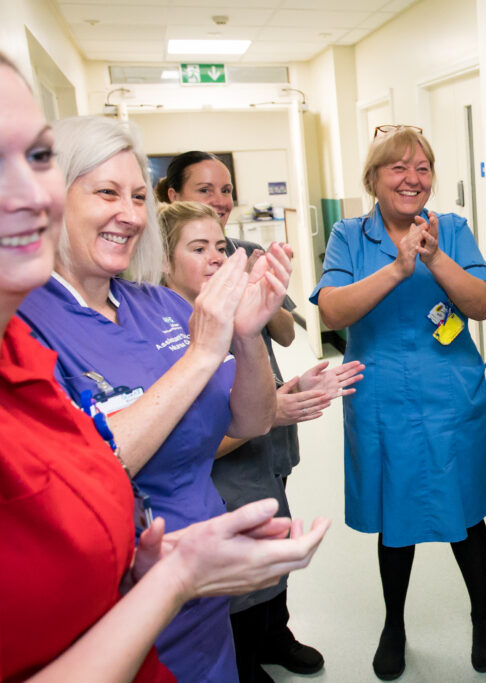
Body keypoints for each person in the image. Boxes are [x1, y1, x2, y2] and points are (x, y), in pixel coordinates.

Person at [0, 51, 329, 682]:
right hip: (111, 615)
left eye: (134, 195)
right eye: (104, 193)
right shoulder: (29, 321)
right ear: (59, 196)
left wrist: (245, 335)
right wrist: (204, 352)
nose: (128, 213)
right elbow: (94, 463)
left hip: (199, 588)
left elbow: (254, 418)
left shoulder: (156, 304)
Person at [311, 125, 486, 680]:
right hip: (384, 402)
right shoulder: (350, 236)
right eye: (398, 167)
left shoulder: (455, 229)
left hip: (451, 397)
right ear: (373, 177)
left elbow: (479, 305)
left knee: (466, 513)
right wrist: (398, 267)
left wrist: (436, 257)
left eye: (422, 167)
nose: (412, 178)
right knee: (394, 520)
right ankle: (393, 624)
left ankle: (483, 615)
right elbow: (332, 311)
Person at [157, 150, 353, 679]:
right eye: (205, 190)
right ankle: (244, 653)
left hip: (267, 420)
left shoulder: (239, 255)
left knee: (274, 528)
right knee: (235, 558)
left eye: (226, 190)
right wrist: (270, 409)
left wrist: (261, 297)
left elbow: (288, 333)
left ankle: (276, 635)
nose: (220, 201)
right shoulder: (163, 310)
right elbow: (188, 430)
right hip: (233, 445)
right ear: (172, 200)